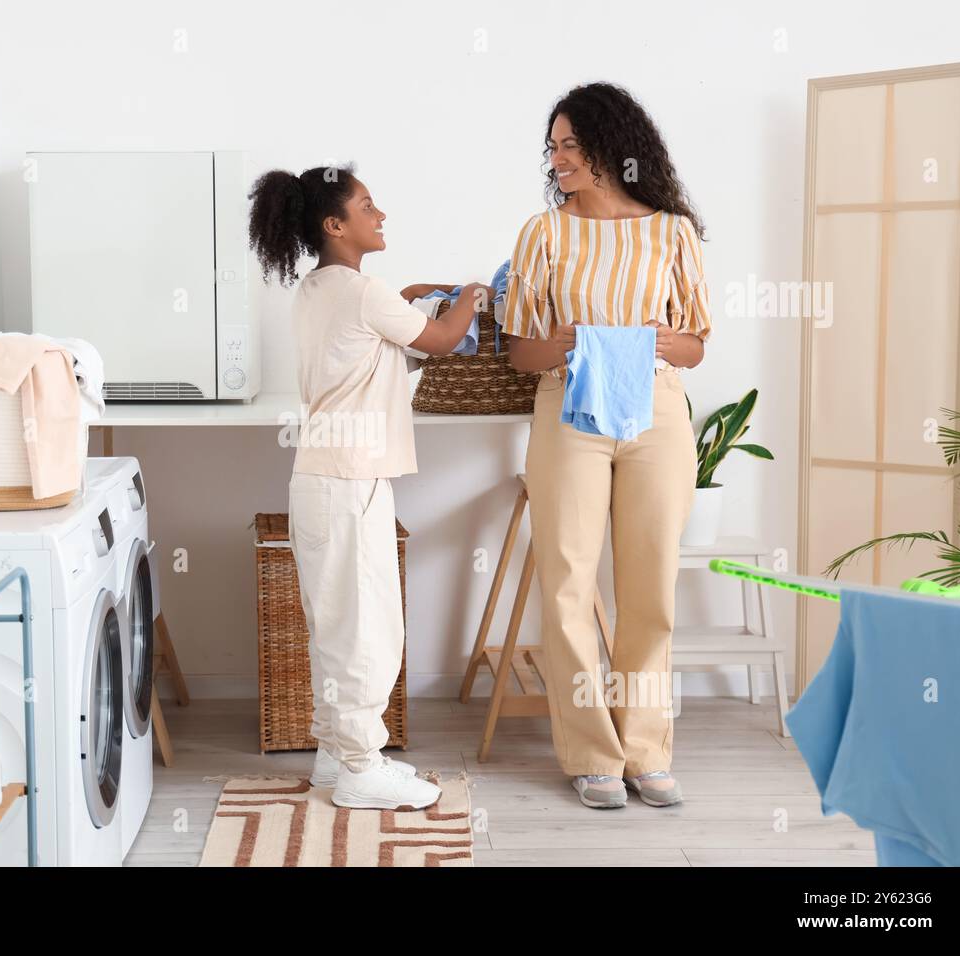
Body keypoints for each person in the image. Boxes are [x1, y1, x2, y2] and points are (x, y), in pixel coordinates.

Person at [248, 163, 490, 810]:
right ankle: (360, 769)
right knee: (367, 634)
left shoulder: (319, 289)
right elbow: (439, 340)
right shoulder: (361, 292)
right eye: (367, 205)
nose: (380, 215)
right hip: (348, 482)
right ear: (335, 224)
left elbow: (375, 344)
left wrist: (413, 297)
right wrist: (471, 296)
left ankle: (337, 752)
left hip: (326, 480)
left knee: (339, 628)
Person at [503, 83, 712, 809]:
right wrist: (567, 343)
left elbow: (695, 345)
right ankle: (592, 753)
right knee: (566, 581)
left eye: (570, 145)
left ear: (609, 149)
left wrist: (640, 339)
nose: (557, 158)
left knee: (650, 585)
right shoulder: (543, 234)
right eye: (552, 146)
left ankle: (646, 750)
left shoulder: (671, 232)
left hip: (655, 408)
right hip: (570, 405)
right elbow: (519, 352)